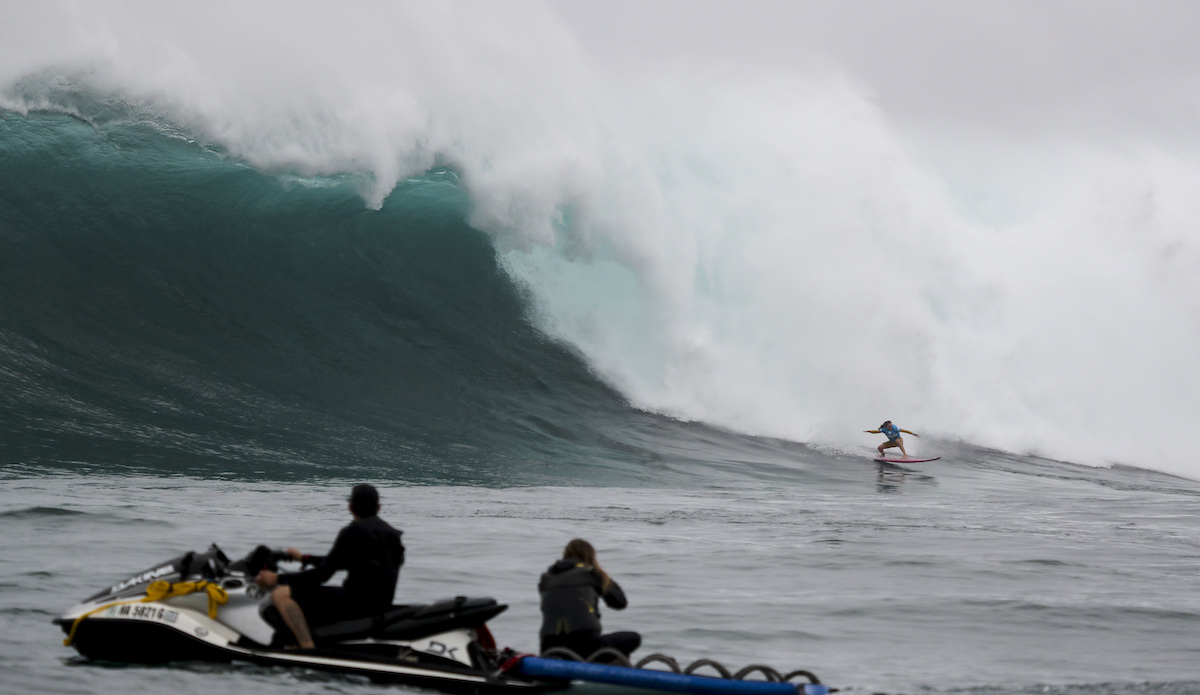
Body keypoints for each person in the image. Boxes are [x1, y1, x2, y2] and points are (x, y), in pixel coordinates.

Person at [255, 484, 404, 649]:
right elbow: (344, 561)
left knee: (280, 594)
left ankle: (307, 649)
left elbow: (322, 575)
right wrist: (304, 558)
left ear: (350, 507)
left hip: (355, 603)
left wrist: (277, 578)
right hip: (381, 605)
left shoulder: (352, 532)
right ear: (378, 507)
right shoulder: (392, 535)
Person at [538, 538, 641, 661]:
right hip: (586, 647)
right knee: (634, 638)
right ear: (591, 557)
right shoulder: (591, 573)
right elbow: (619, 602)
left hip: (548, 648)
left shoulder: (546, 578)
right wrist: (601, 574)